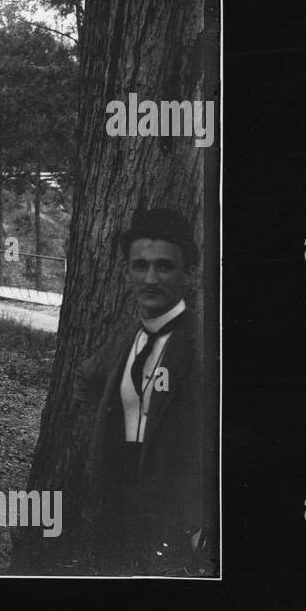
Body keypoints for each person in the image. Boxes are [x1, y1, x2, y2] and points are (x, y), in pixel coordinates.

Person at [74, 207, 214, 576]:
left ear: (189, 275)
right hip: (116, 500)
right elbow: (86, 379)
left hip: (174, 511)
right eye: (140, 266)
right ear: (127, 272)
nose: (150, 279)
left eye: (165, 267)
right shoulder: (125, 337)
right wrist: (104, 425)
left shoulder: (204, 347)